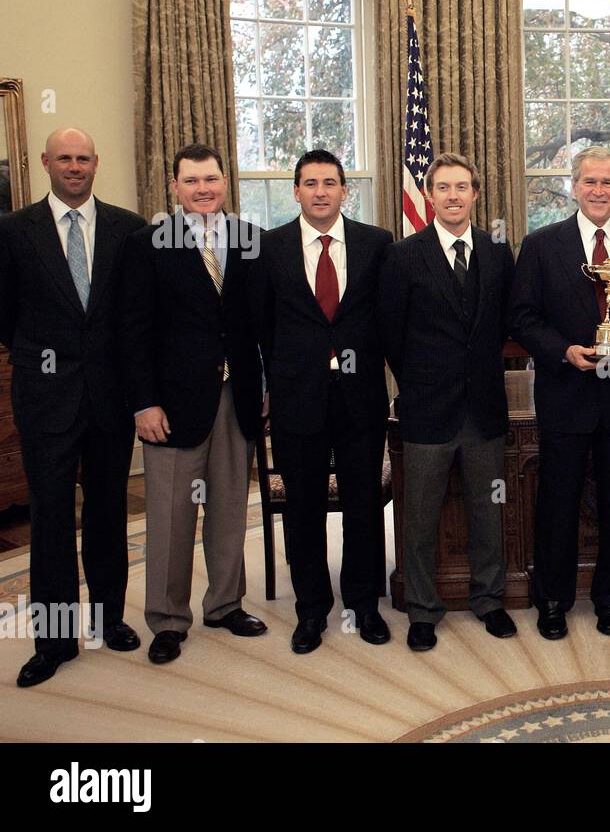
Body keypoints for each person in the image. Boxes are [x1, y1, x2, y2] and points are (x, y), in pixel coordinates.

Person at [0, 128, 147, 687]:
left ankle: (110, 620)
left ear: (96, 163)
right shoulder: (14, 232)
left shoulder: (127, 229)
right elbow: (5, 315)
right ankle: (54, 641)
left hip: (110, 397)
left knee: (109, 510)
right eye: (64, 158)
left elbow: (134, 317)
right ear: (45, 164)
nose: (75, 166)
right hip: (45, 397)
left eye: (84, 158)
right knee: (51, 518)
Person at [116, 143, 268, 665]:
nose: (203, 189)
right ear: (175, 187)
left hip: (238, 397)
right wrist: (143, 403)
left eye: (212, 179)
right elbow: (131, 332)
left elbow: (261, 324)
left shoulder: (252, 241)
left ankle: (225, 604)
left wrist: (268, 384)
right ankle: (167, 619)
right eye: (192, 181)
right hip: (172, 406)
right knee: (172, 518)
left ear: (226, 183)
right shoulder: (147, 245)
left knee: (229, 510)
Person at [510, 146, 610, 641]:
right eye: (589, 182)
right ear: (574, 187)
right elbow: (523, 316)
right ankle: (552, 599)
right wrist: (564, 350)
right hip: (565, 393)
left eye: (609, 182)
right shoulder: (540, 246)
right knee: (558, 500)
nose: (599, 191)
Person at [251, 149, 394, 655]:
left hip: (360, 397)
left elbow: (388, 321)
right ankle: (310, 610)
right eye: (309, 183)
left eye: (329, 183)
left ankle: (363, 605)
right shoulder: (268, 248)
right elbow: (262, 327)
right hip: (297, 398)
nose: (320, 192)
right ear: (296, 191)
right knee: (303, 508)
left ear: (343, 190)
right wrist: (270, 387)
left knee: (363, 506)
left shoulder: (376, 244)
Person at [381, 152, 518, 651]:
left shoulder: (497, 250)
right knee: (419, 517)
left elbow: (507, 322)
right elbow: (390, 335)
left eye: (462, 187)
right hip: (426, 408)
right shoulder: (404, 255)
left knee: (489, 509)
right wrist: (418, 384)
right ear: (430, 195)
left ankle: (489, 599)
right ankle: (422, 608)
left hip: (484, 407)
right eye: (443, 187)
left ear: (475, 194)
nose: (453, 196)